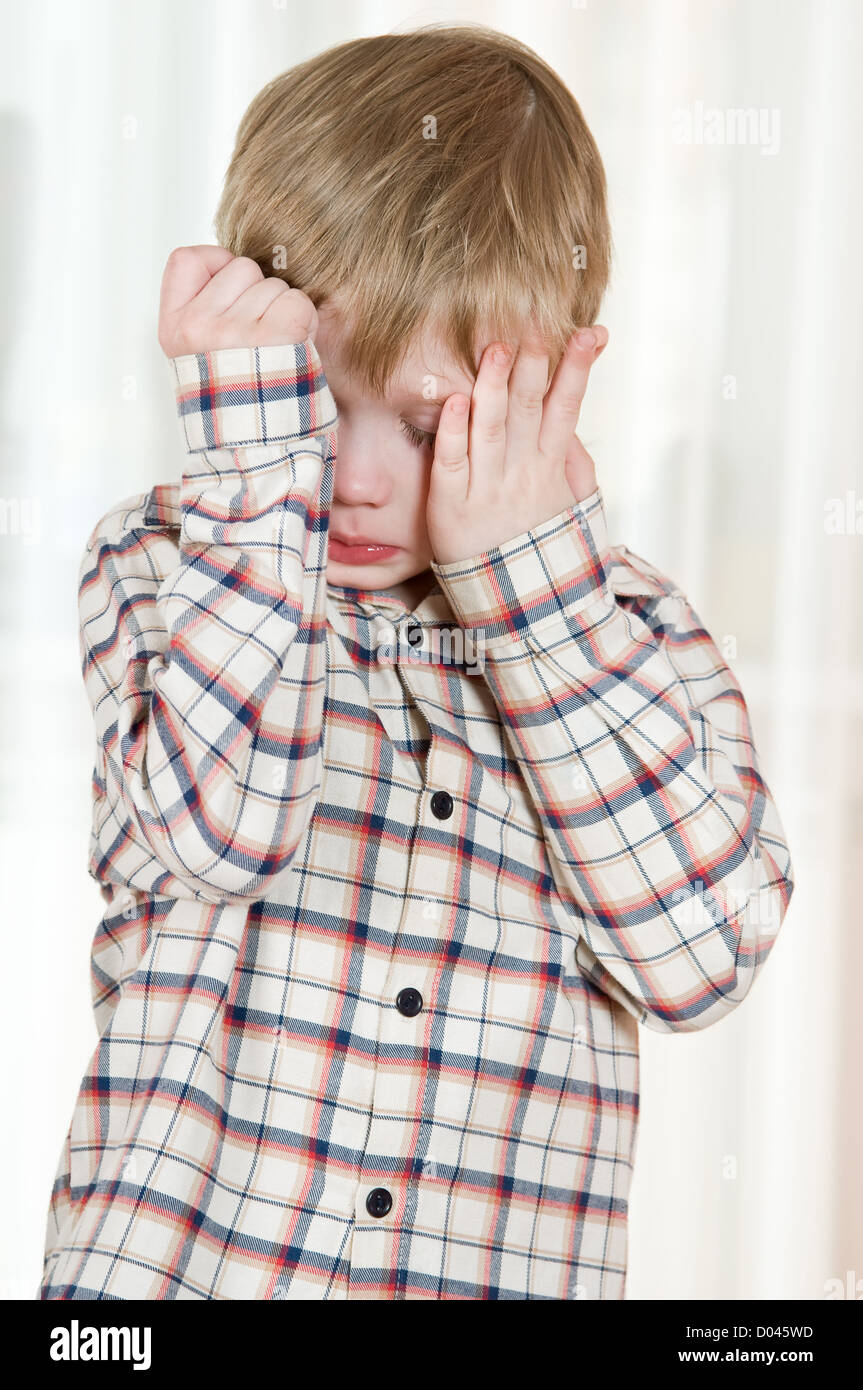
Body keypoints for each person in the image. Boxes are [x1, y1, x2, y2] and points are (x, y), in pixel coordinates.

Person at [39, 23, 793, 1301]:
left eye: (432, 422)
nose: (359, 474)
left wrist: (530, 595)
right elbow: (220, 833)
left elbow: (700, 958)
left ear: (556, 388)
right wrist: (253, 468)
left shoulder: (633, 634)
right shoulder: (168, 561)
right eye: (314, 400)